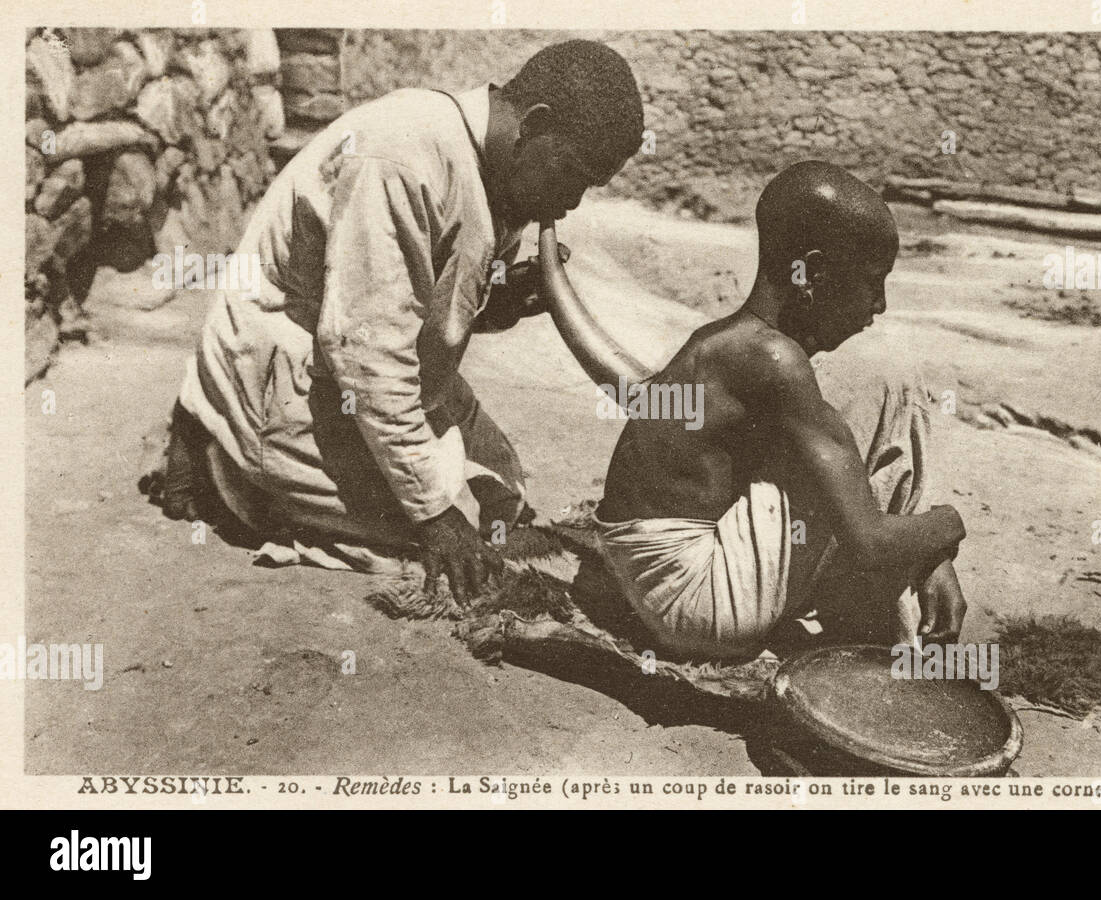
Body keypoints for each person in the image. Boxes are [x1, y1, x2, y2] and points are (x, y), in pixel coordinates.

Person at [160, 40, 644, 601]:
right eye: (575, 176)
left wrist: (500, 303)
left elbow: (418, 308)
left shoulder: (495, 167)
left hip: (363, 367)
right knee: (436, 544)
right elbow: (367, 352)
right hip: (292, 365)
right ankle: (222, 455)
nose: (575, 202)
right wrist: (434, 518)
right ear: (534, 126)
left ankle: (251, 454)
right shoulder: (402, 157)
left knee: (501, 495)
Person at [592, 161, 968, 659]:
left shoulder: (727, 343)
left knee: (843, 419)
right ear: (809, 273)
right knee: (888, 377)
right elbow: (869, 543)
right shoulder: (773, 361)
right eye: (871, 282)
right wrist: (947, 526)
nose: (878, 305)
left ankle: (890, 602)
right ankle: (896, 648)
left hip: (651, 583)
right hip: (698, 601)